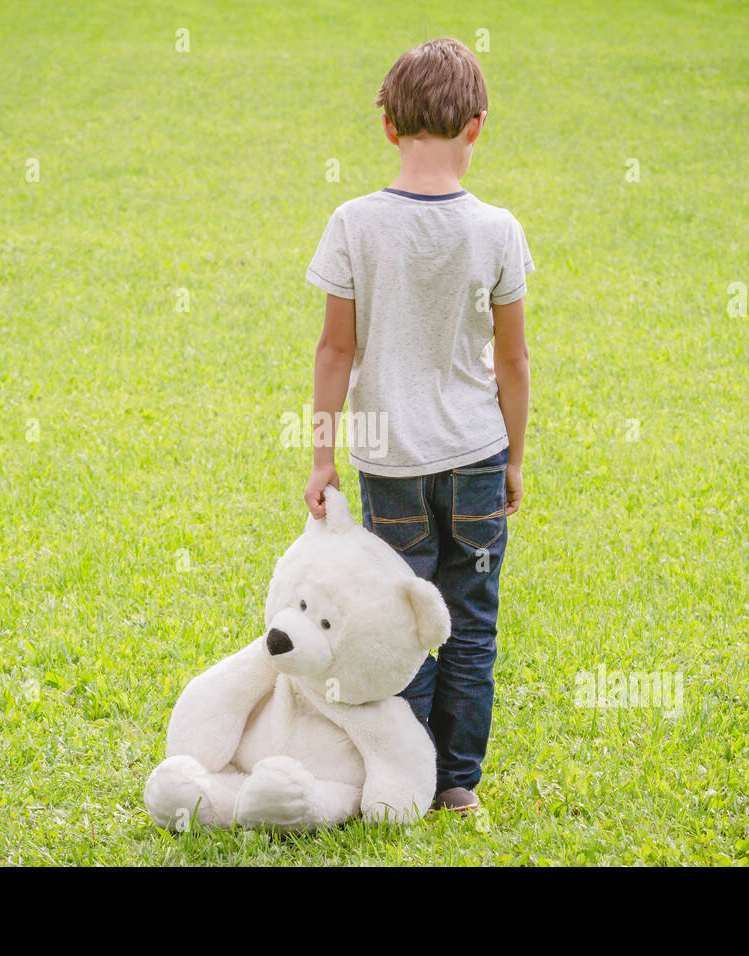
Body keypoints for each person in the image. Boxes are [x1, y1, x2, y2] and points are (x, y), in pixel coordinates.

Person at [302, 37, 534, 813]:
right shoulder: (498, 229)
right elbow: (513, 363)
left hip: (389, 462)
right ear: (477, 125)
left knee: (405, 617)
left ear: (388, 128)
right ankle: (459, 786)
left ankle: (409, 778)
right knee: (469, 617)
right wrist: (514, 460)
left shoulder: (353, 223)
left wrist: (322, 458)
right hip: (475, 451)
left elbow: (337, 348)